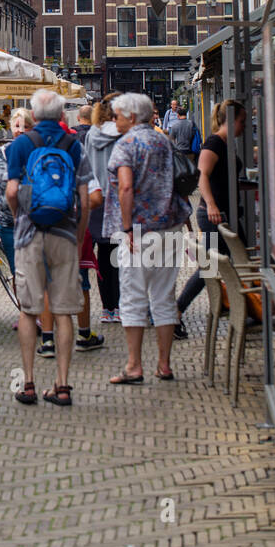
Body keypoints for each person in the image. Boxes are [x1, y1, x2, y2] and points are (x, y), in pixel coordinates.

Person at [5, 88, 90, 407]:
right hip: (65, 235)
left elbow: (12, 191)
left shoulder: (22, 144)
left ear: (35, 115)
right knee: (64, 311)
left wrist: (19, 220)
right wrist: (79, 236)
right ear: (62, 114)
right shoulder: (74, 145)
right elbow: (83, 199)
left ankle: (28, 383)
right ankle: (62, 385)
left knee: (29, 310)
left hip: (29, 234)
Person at [105, 93, 191, 383]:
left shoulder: (126, 145)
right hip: (169, 226)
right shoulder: (163, 140)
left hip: (139, 233)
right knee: (164, 297)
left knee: (133, 297)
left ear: (131, 117)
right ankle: (164, 365)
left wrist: (127, 228)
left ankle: (134, 366)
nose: (113, 120)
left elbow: (125, 187)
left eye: (116, 115)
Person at [175, 99, 246, 337]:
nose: (244, 127)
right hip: (213, 215)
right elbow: (202, 175)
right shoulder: (214, 143)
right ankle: (177, 310)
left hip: (224, 214)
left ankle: (244, 305)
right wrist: (212, 205)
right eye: (242, 121)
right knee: (210, 266)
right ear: (233, 120)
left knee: (225, 262)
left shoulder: (225, 143)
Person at [84, 93, 123, 324]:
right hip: (118, 199)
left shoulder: (91, 134)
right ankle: (118, 306)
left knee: (103, 256)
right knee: (119, 255)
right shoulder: (123, 134)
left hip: (97, 199)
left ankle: (107, 308)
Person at [0, 107, 32, 279]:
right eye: (17, 126)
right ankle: (23, 305)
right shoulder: (0, 154)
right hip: (7, 223)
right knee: (17, 271)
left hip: (34, 222)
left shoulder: (37, 152)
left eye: (26, 126)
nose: (21, 130)